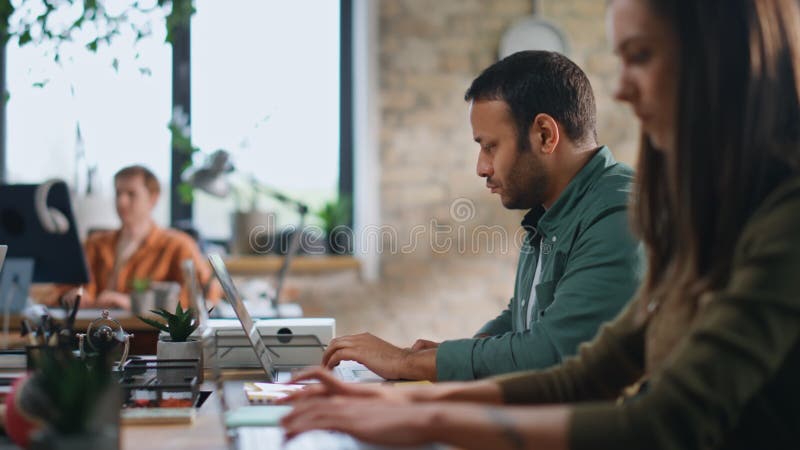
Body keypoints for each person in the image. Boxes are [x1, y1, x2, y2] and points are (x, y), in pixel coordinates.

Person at [279, 0, 800, 448]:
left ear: (720, 59)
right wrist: (411, 398)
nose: (619, 89)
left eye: (640, 56)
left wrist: (422, 405)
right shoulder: (699, 207)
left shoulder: (778, 215)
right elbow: (589, 371)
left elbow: (665, 419)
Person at [322, 51, 644, 381]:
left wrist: (407, 362)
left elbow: (555, 353)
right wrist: (443, 356)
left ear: (545, 134)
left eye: (490, 146)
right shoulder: (552, 211)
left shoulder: (621, 214)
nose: (482, 167)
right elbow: (524, 319)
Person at [64, 165, 218, 310]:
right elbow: (63, 288)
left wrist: (135, 303)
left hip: (149, 335)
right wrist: (73, 295)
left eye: (131, 194)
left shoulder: (178, 245)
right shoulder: (95, 244)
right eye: (118, 193)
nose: (121, 201)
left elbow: (205, 294)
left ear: (153, 198)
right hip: (94, 331)